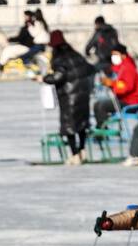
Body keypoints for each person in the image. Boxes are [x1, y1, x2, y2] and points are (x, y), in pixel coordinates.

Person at [41, 30, 96, 165]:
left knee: (69, 126)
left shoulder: (59, 58)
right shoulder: (75, 54)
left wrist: (44, 78)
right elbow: (90, 68)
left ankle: (74, 154)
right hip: (83, 94)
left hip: (69, 96)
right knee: (82, 124)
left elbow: (59, 76)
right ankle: (82, 150)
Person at [105, 44, 138, 111]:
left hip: (131, 101)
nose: (113, 57)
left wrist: (112, 84)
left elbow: (126, 87)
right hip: (125, 99)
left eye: (116, 55)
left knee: (100, 106)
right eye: (112, 55)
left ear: (123, 55)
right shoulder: (121, 66)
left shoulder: (128, 67)